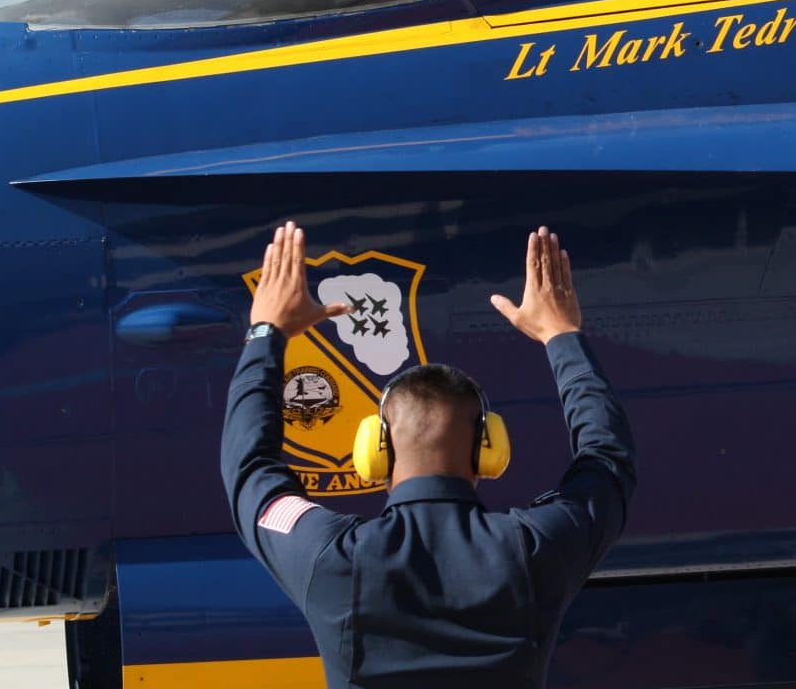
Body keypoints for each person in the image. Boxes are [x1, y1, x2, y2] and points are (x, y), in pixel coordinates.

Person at [222, 222, 635, 689]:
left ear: (375, 449)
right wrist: (561, 335)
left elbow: (250, 471)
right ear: (488, 448)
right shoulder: (536, 548)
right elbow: (607, 459)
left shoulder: (329, 556)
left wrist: (266, 333)